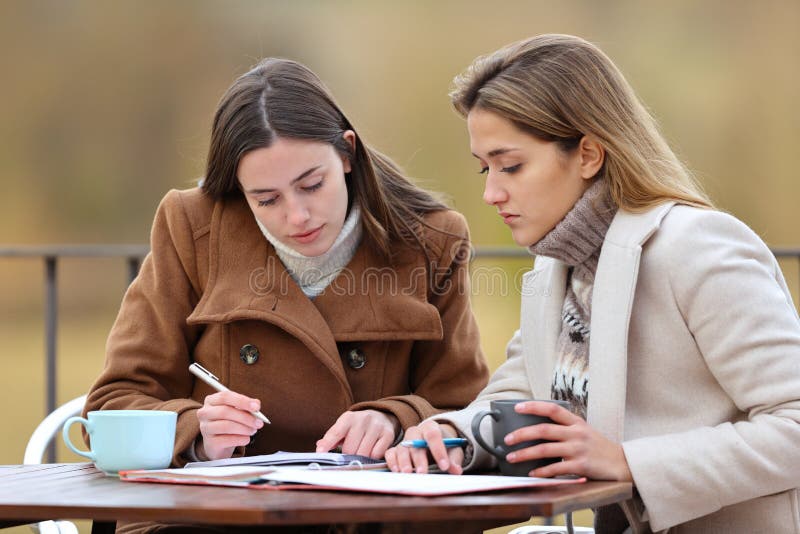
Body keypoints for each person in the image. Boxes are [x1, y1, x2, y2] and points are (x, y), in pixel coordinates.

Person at [385, 34, 800, 533]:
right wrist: (450, 433)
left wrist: (628, 462)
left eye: (510, 165)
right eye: (485, 168)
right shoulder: (558, 265)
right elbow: (518, 396)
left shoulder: (697, 247)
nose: (491, 192)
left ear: (588, 154)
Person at [84, 57, 489, 533]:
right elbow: (114, 403)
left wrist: (395, 418)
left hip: (369, 517)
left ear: (347, 154)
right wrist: (196, 431)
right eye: (266, 199)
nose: (297, 217)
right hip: (210, 520)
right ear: (238, 189)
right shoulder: (191, 226)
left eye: (311, 185)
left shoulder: (431, 240)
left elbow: (465, 409)